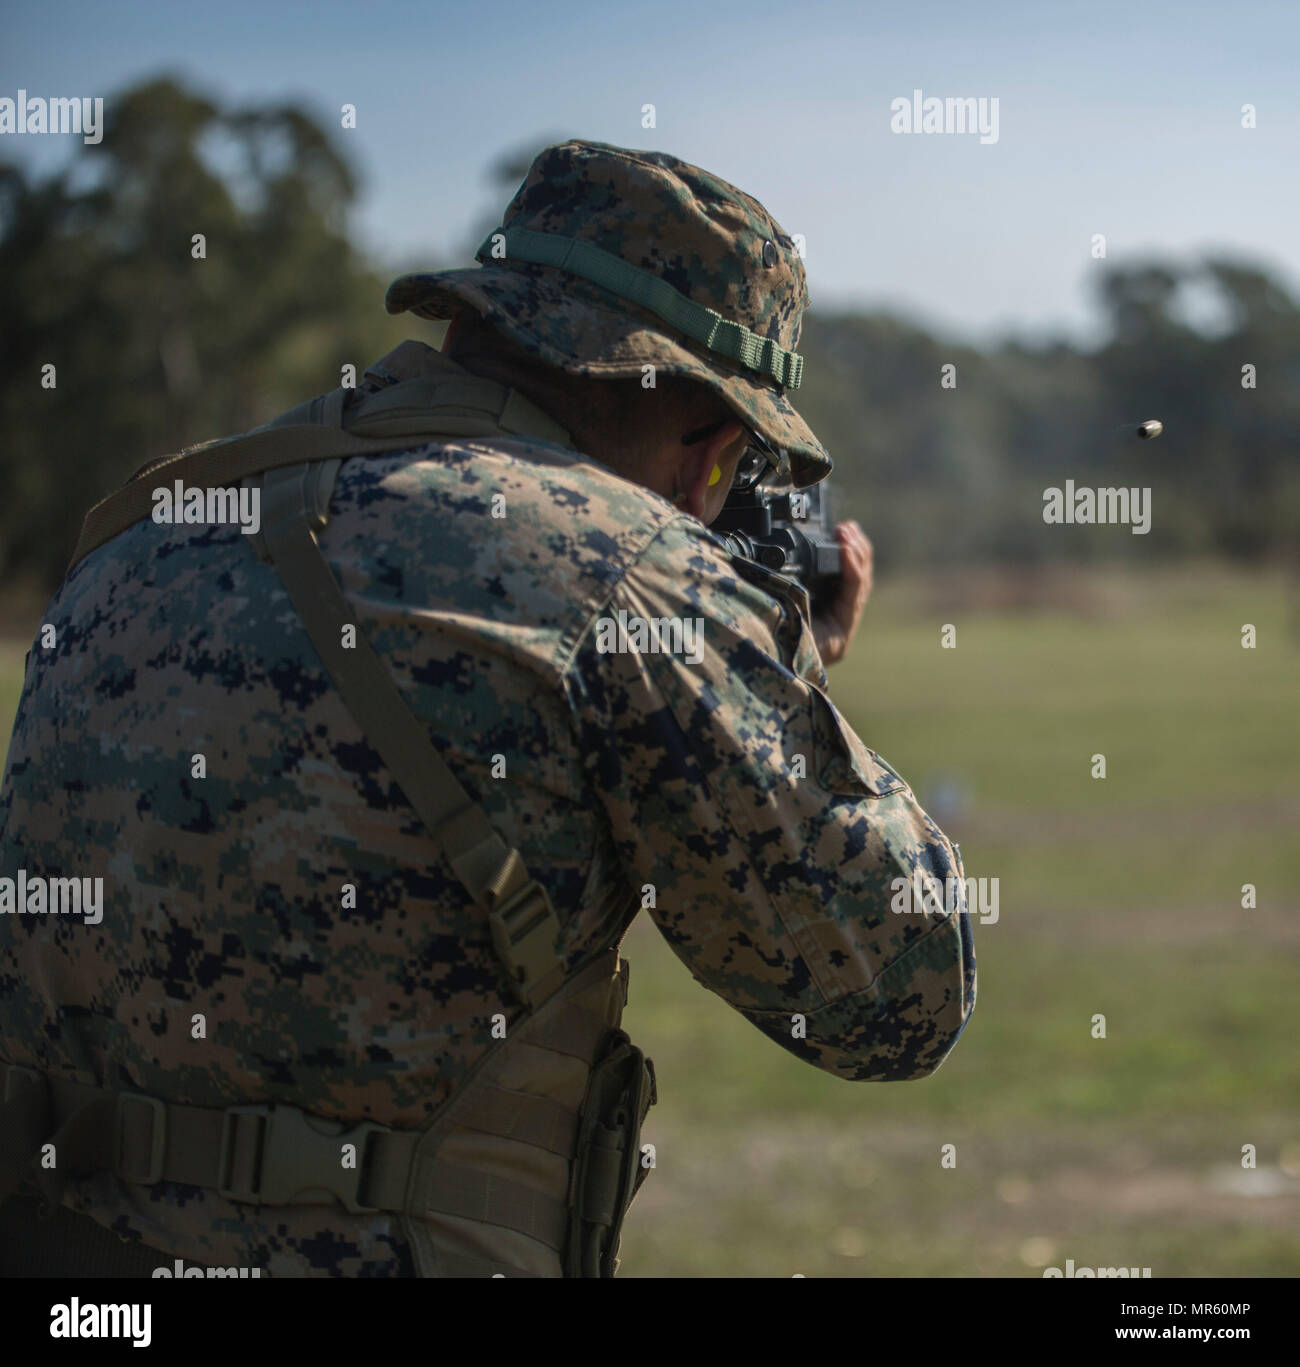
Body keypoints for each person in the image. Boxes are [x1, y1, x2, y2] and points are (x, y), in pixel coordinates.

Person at [0, 139, 975, 1277]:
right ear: (711, 439)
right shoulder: (635, 575)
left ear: (474, 323)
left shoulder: (147, 519)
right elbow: (892, 990)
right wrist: (772, 669)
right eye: (728, 473)